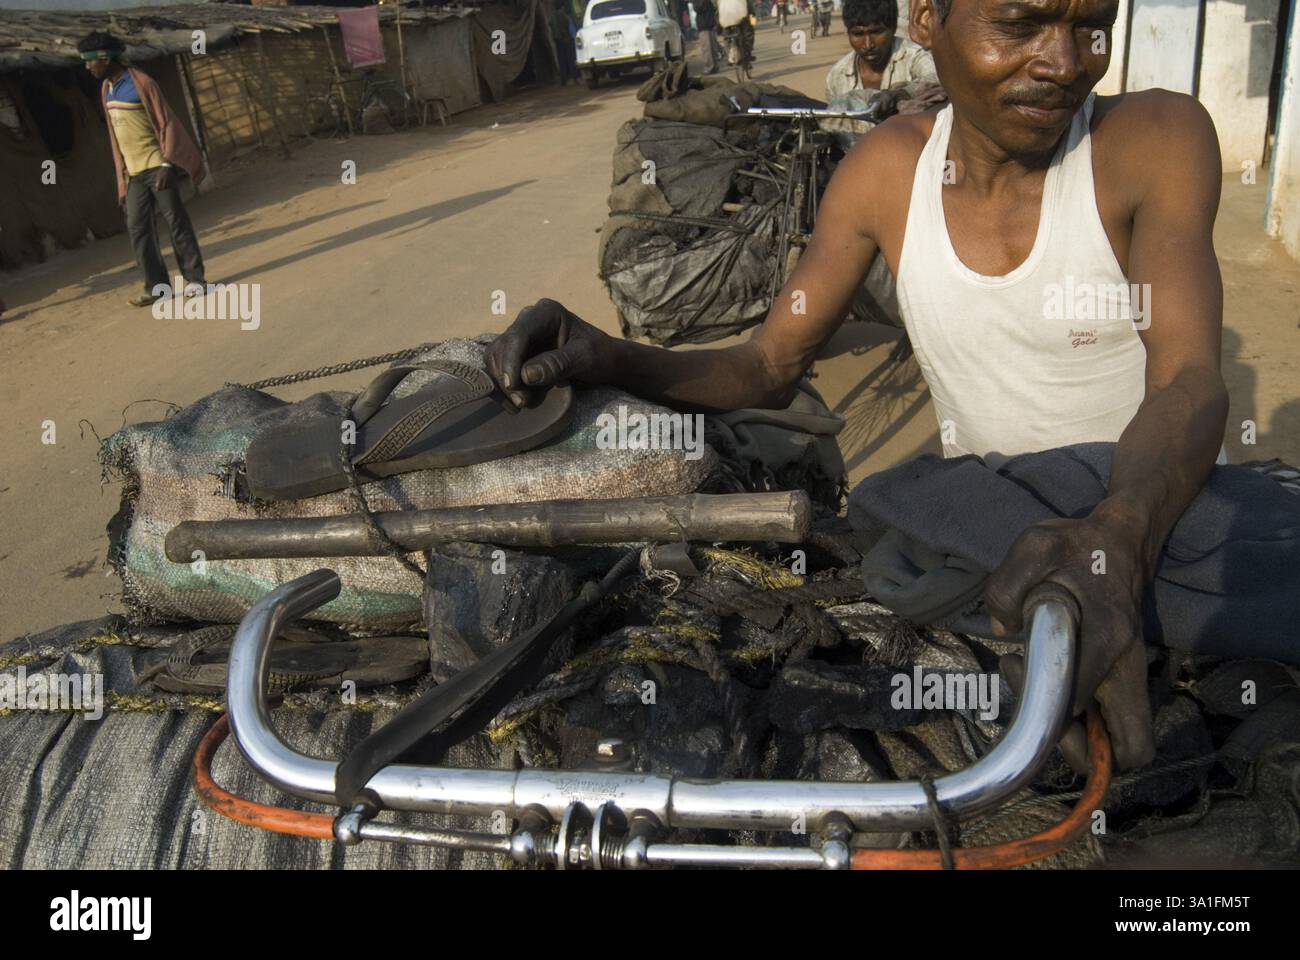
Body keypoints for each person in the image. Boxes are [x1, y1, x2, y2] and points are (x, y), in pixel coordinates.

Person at [487, 0, 1230, 773]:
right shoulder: (884, 173)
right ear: (926, 20)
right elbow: (770, 365)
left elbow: (1188, 378)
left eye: (1090, 27)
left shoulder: (1153, 142)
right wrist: (612, 357)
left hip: (1155, 534)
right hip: (995, 550)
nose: (1066, 62)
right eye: (1021, 26)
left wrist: (1117, 539)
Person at [78, 31, 206, 308]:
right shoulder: (107, 89)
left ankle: (195, 280)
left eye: (89, 62)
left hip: (157, 166)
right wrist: (122, 177)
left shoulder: (141, 83)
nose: (87, 67)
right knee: (138, 229)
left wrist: (167, 164)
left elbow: (167, 123)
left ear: (104, 58)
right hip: (134, 173)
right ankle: (158, 288)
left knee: (176, 223)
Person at [825, 0, 937, 115]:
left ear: (893, 28)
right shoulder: (837, 77)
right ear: (848, 33)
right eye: (858, 34)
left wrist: (900, 94)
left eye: (876, 32)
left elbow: (936, 80)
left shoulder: (915, 57)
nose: (868, 45)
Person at [550, 0, 579, 84]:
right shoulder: (565, 16)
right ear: (562, 6)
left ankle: (563, 80)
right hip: (568, 39)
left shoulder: (552, 17)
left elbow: (551, 27)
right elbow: (571, 29)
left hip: (558, 41)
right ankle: (575, 78)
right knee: (571, 59)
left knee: (561, 60)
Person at [694, 0, 722, 73]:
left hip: (708, 26)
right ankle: (713, 67)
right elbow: (697, 8)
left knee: (710, 49)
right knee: (709, 48)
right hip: (706, 26)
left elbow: (698, 8)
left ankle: (711, 68)